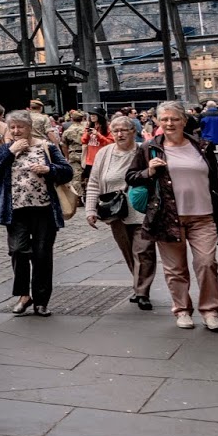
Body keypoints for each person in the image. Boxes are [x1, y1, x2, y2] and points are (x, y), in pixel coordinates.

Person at [126, 100, 218, 331]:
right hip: (167, 216)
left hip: (203, 217)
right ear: (157, 122)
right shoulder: (149, 148)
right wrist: (149, 171)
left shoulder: (202, 146)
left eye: (175, 118)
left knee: (206, 263)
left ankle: (210, 311)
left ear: (184, 121)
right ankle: (182, 310)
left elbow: (217, 183)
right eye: (164, 119)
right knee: (176, 269)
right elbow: (131, 177)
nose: (170, 123)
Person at [0, 110, 73, 317]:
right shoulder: (7, 148)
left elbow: (67, 171)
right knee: (18, 250)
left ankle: (41, 301)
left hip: (43, 209)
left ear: (29, 127)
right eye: (13, 127)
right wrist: (10, 152)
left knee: (42, 254)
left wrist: (49, 170)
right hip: (15, 211)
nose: (16, 131)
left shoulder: (46, 147)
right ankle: (24, 295)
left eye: (20, 127)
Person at [86, 115, 157, 310]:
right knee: (127, 251)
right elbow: (94, 183)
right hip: (115, 211)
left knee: (144, 251)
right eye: (115, 131)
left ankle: (142, 291)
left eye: (124, 130)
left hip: (142, 209)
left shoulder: (144, 151)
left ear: (133, 131)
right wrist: (91, 209)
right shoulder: (104, 153)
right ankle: (138, 284)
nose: (119, 134)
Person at [61, 111, 89, 191]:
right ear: (82, 119)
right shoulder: (86, 130)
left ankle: (78, 197)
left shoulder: (67, 131)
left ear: (71, 119)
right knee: (89, 175)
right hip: (86, 154)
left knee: (76, 178)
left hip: (73, 154)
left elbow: (64, 145)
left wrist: (67, 157)